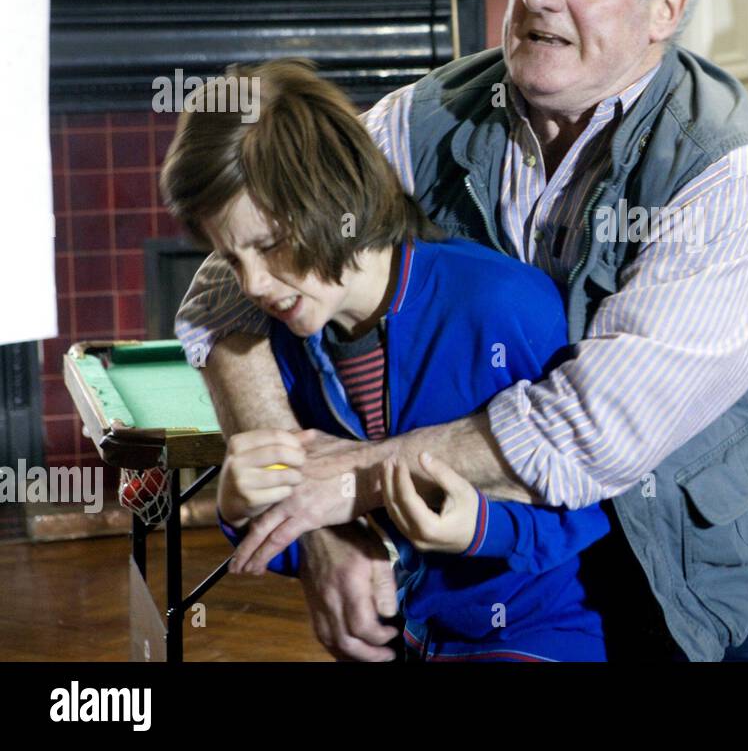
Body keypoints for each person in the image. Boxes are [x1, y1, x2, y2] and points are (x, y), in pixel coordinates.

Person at [174, 0, 748, 662]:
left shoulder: (729, 172)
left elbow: (591, 431)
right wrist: (309, 508)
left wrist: (344, 484)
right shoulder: (425, 117)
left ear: (666, 8)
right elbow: (224, 286)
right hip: (506, 586)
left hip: (703, 591)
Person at [161, 59, 613, 661]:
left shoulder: (502, 304)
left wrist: (480, 527)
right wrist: (241, 508)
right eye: (230, 257)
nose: (253, 284)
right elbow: (312, 527)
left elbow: (590, 511)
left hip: (536, 639)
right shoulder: (286, 340)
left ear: (332, 195)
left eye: (268, 245)